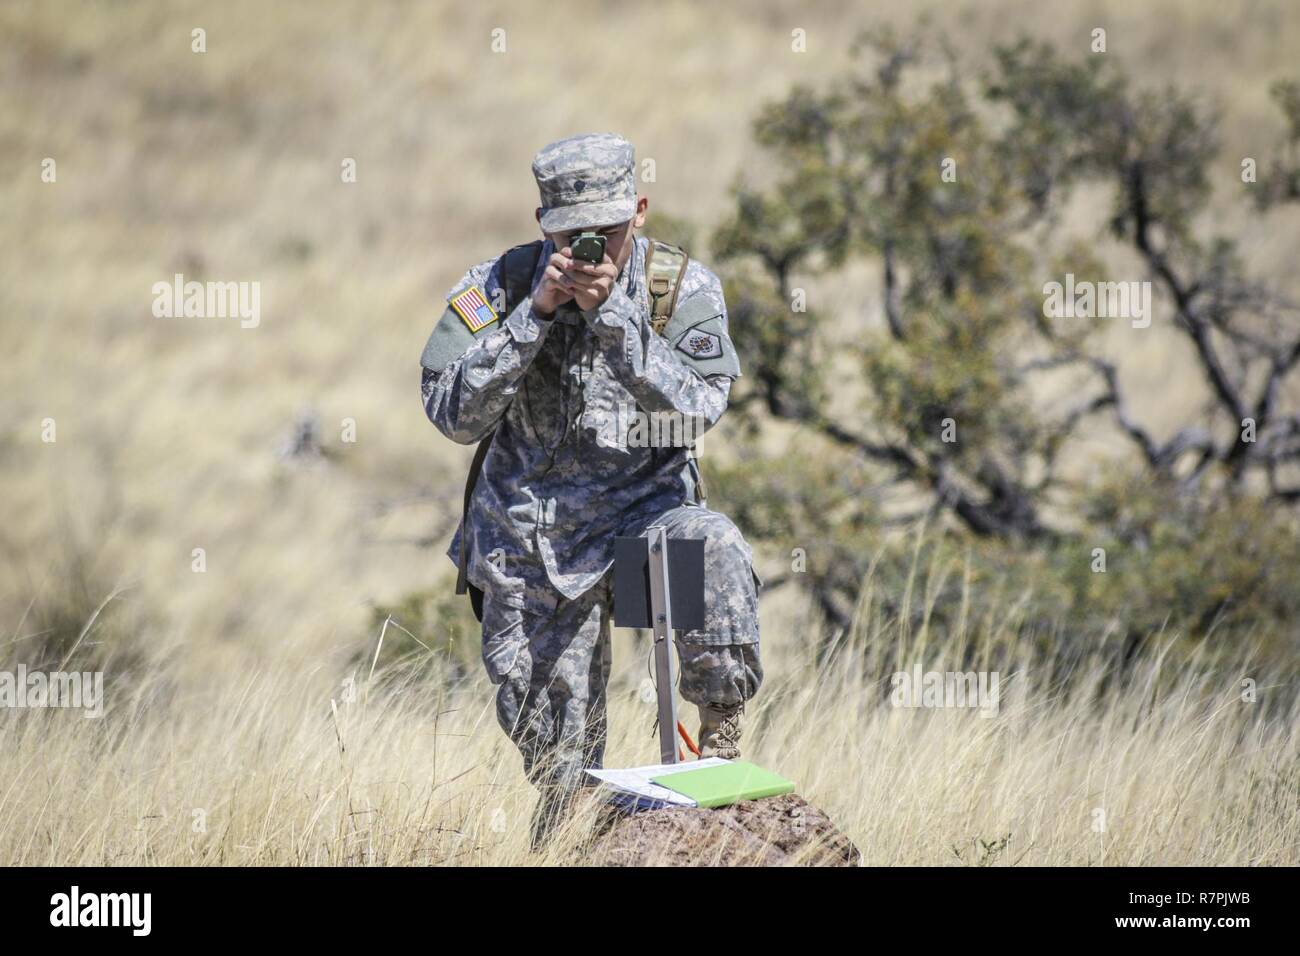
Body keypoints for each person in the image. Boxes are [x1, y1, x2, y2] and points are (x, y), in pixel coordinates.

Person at [420, 132, 762, 849]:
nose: (587, 251)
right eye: (569, 235)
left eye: (603, 232)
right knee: (563, 767)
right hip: (530, 537)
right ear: (543, 224)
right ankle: (573, 847)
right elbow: (451, 412)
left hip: (647, 519)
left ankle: (722, 742)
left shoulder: (679, 288)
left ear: (638, 210)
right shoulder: (501, 286)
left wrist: (615, 322)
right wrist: (533, 317)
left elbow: (699, 409)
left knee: (717, 546)